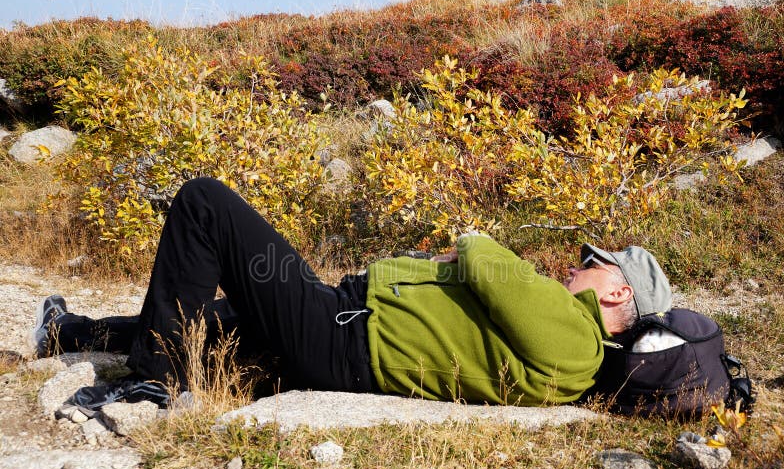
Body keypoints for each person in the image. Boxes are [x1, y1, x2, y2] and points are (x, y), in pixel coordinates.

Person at [32, 177, 672, 407]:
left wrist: (474, 246)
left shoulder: (576, 337)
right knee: (219, 321)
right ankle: (68, 333)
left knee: (204, 203)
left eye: (594, 264)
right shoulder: (572, 340)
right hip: (341, 323)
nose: (577, 265)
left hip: (342, 335)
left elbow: (480, 254)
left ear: (617, 294)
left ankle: (154, 381)